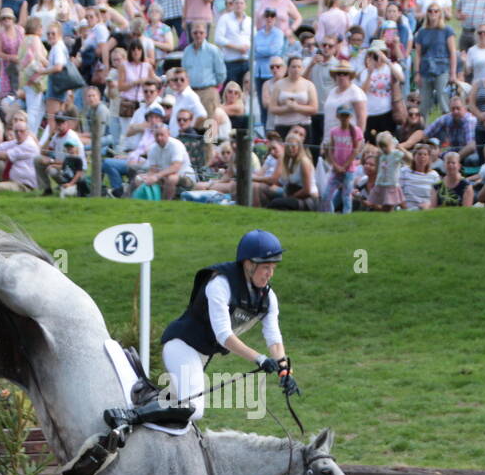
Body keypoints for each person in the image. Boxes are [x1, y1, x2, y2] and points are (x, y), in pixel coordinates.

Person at [104, 231, 297, 430]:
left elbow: (274, 338)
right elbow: (224, 336)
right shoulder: (220, 284)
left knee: (178, 410)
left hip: (200, 356)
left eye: (273, 267)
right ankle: (128, 415)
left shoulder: (268, 298)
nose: (270, 273)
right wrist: (259, 358)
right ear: (248, 264)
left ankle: (141, 417)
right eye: (266, 267)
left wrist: (285, 371)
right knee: (195, 409)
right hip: (181, 347)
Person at [414, 2, 457, 117]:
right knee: (424, 103)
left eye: (436, 11)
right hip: (425, 69)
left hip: (442, 68)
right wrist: (417, 73)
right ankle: (424, 129)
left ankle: (447, 128)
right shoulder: (422, 32)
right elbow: (418, 54)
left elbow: (452, 53)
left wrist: (453, 73)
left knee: (444, 101)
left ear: (440, 13)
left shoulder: (447, 30)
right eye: (430, 11)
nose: (433, 13)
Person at [323, 102, 364, 211]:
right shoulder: (334, 131)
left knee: (346, 196)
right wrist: (335, 165)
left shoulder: (355, 131)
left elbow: (355, 151)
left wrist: (345, 165)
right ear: (338, 116)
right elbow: (331, 150)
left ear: (350, 116)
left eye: (346, 115)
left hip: (349, 169)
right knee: (326, 195)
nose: (344, 118)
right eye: (342, 115)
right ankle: (329, 214)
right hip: (336, 169)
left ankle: (346, 216)